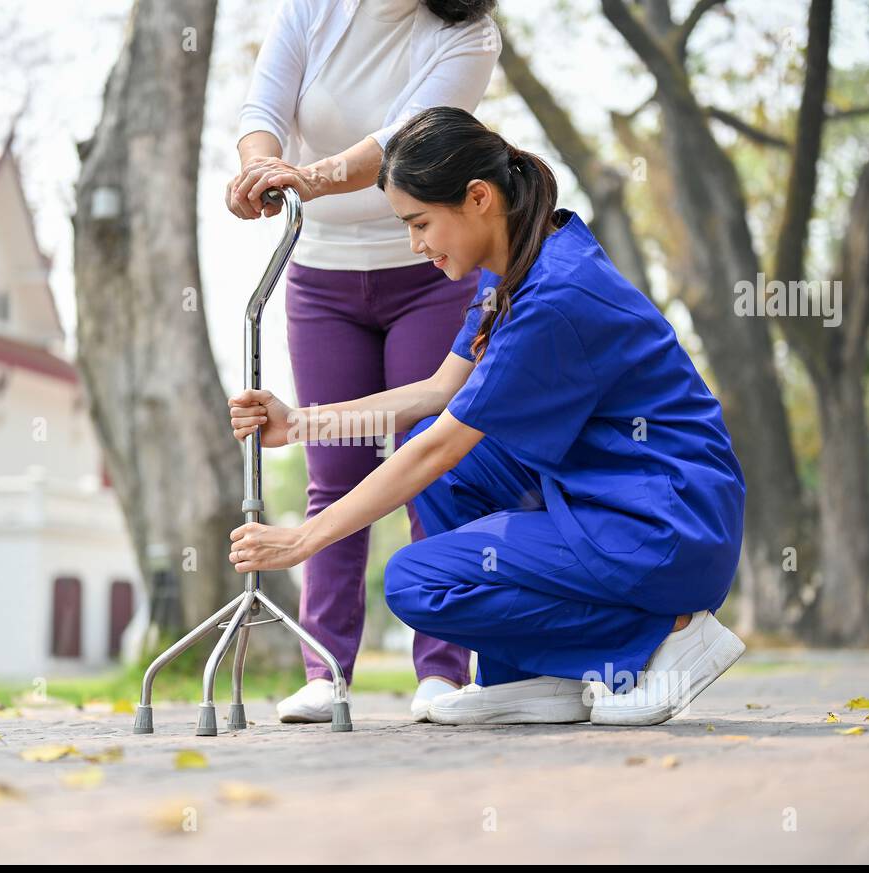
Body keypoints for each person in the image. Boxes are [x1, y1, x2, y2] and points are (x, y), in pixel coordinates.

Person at [226, 106, 748, 725]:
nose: (415, 246)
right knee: (445, 459)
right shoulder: (515, 268)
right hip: (609, 502)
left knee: (419, 582)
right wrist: (303, 423)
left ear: (477, 197)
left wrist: (302, 539)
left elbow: (437, 447)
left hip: (665, 524)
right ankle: (534, 676)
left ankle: (668, 633)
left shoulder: (555, 295)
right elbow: (435, 395)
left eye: (420, 224)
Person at [228, 0, 501, 723]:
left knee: (434, 465)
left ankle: (442, 671)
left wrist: (305, 180)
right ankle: (325, 673)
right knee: (335, 469)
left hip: (430, 270)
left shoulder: (467, 36)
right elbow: (265, 105)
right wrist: (260, 168)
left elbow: (400, 145)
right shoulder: (312, 10)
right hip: (318, 273)